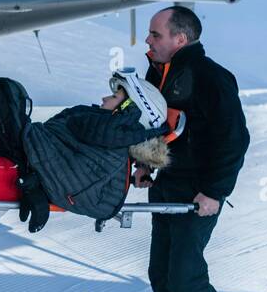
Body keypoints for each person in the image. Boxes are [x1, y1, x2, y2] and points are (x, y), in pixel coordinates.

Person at [134, 6, 249, 292]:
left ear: (179, 39)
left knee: (184, 271)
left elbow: (233, 140)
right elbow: (155, 126)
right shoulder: (156, 75)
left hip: (198, 192)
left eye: (156, 34)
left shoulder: (212, 77)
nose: (148, 41)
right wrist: (145, 165)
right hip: (167, 183)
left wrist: (214, 192)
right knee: (160, 269)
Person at [17, 68, 171, 230]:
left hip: (19, 154)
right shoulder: (103, 138)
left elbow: (70, 179)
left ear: (128, 109)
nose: (104, 98)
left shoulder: (110, 148)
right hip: (22, 150)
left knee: (6, 94)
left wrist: (35, 184)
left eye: (113, 97)